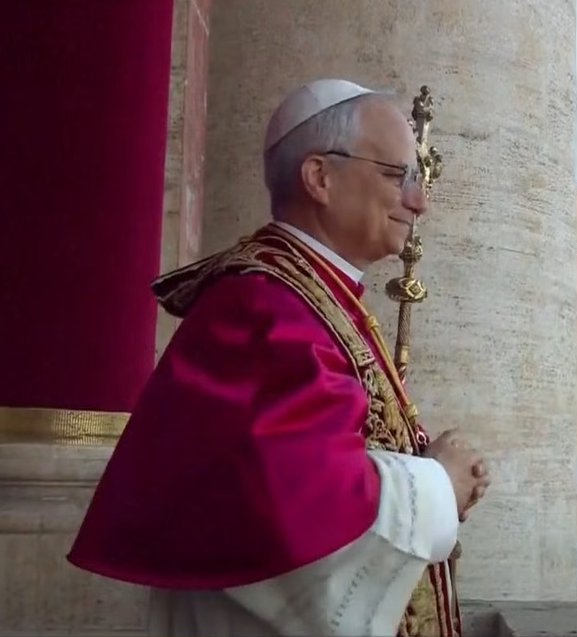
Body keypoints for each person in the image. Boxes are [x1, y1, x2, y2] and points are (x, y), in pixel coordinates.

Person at [66, 79, 491, 637]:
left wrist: (432, 472)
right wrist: (437, 487)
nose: (419, 201)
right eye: (398, 176)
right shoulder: (265, 308)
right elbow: (298, 508)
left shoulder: (311, 292)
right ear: (319, 177)